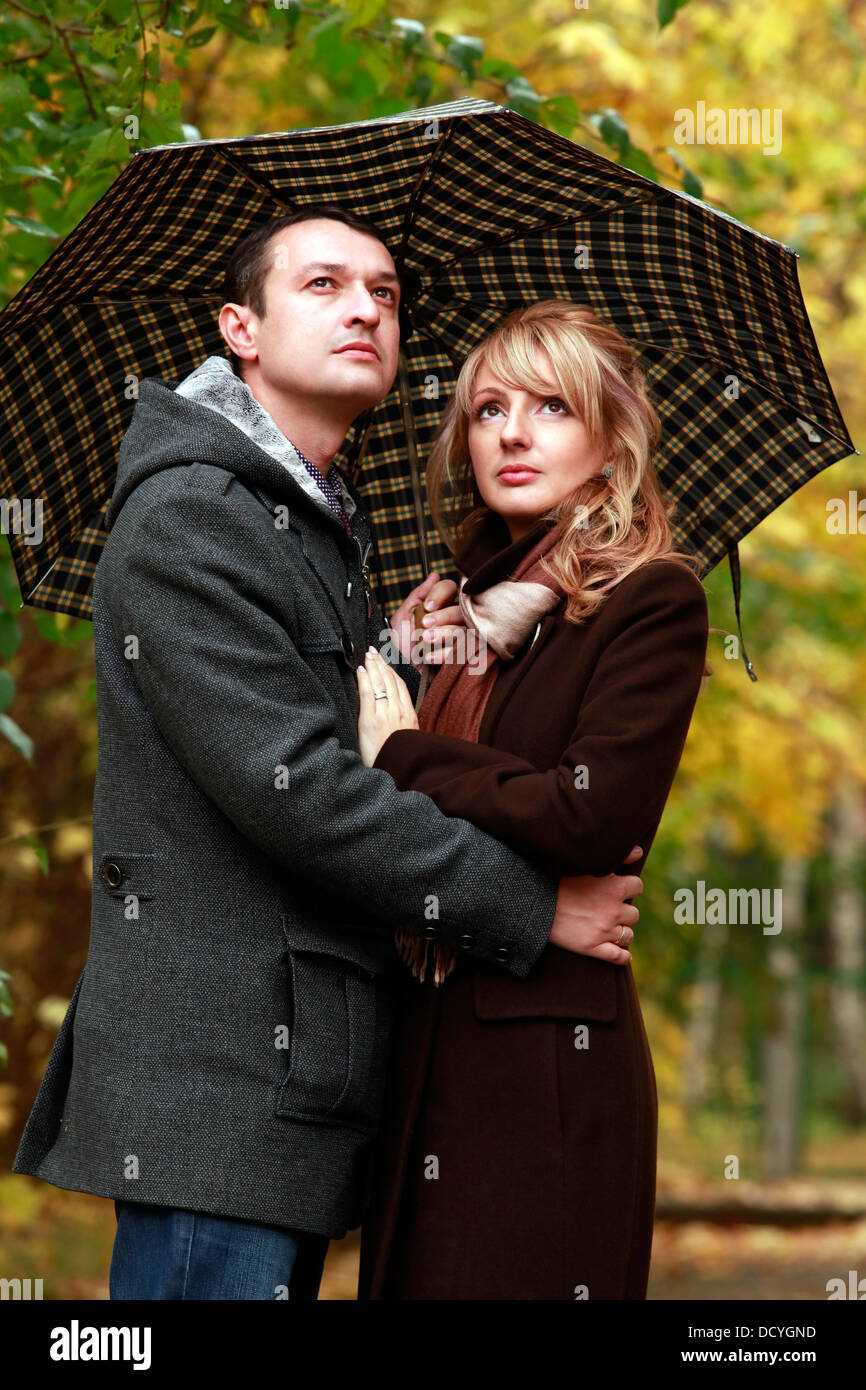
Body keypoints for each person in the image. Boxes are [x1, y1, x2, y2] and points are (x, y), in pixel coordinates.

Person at [12, 211, 642, 1300]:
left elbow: (302, 715)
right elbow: (299, 790)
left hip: (288, 1085)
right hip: (219, 1094)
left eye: (385, 293)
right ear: (238, 329)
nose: (364, 307)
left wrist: (396, 649)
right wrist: (527, 908)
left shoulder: (304, 525)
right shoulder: (193, 520)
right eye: (323, 284)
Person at [355, 299, 711, 1300]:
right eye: (487, 409)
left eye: (551, 407)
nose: (510, 432)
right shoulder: (457, 618)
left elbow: (587, 815)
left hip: (543, 1070)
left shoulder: (648, 600)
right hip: (421, 1057)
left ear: (610, 441)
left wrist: (406, 749)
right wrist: (399, 657)